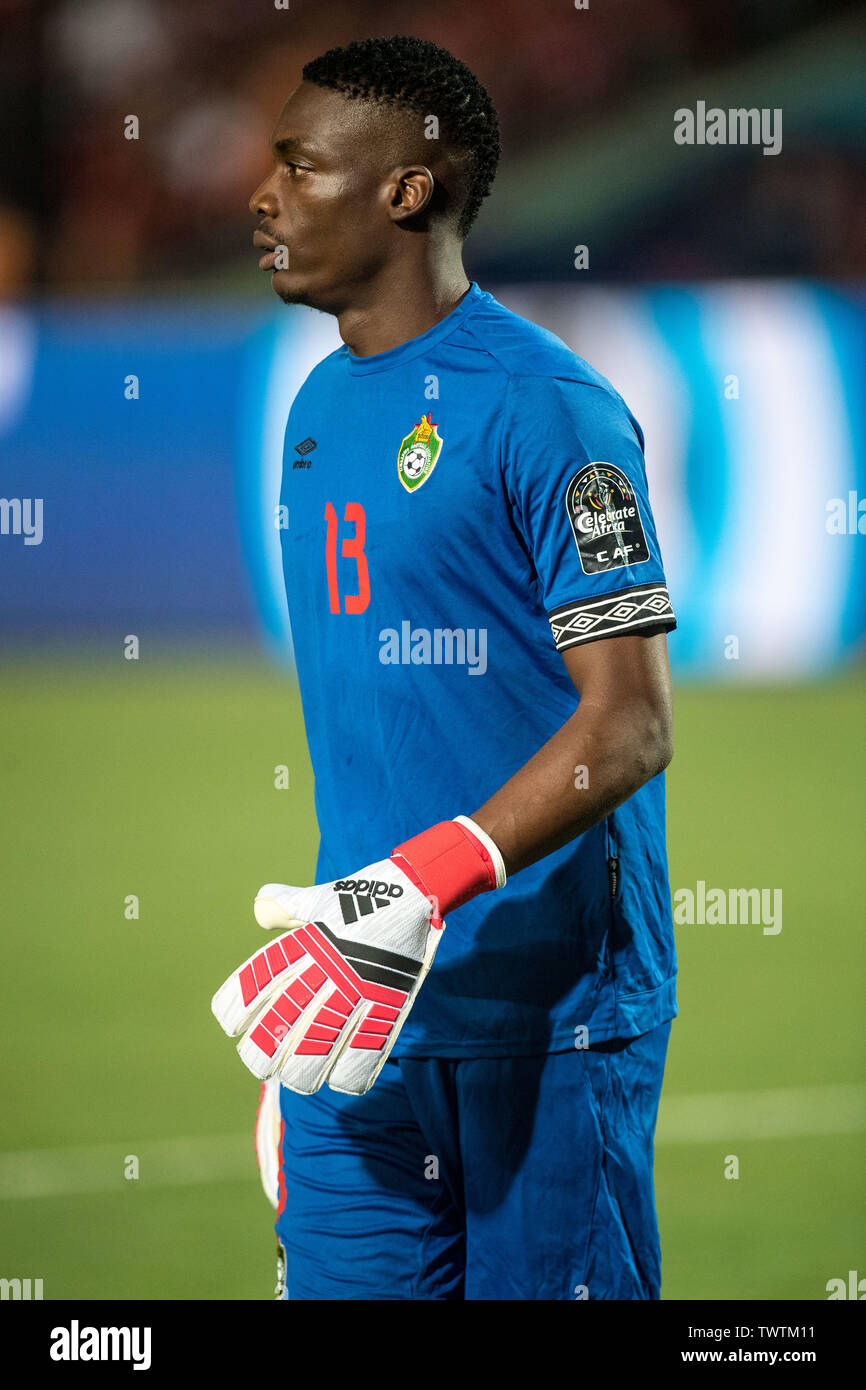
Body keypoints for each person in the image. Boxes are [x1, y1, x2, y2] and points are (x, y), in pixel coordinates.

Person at [217, 33, 678, 1301]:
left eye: (301, 168)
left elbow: (630, 725)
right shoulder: (317, 408)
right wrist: (319, 995)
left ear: (404, 191)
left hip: (546, 1021)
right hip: (355, 1021)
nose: (263, 198)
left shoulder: (552, 411)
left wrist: (424, 884)